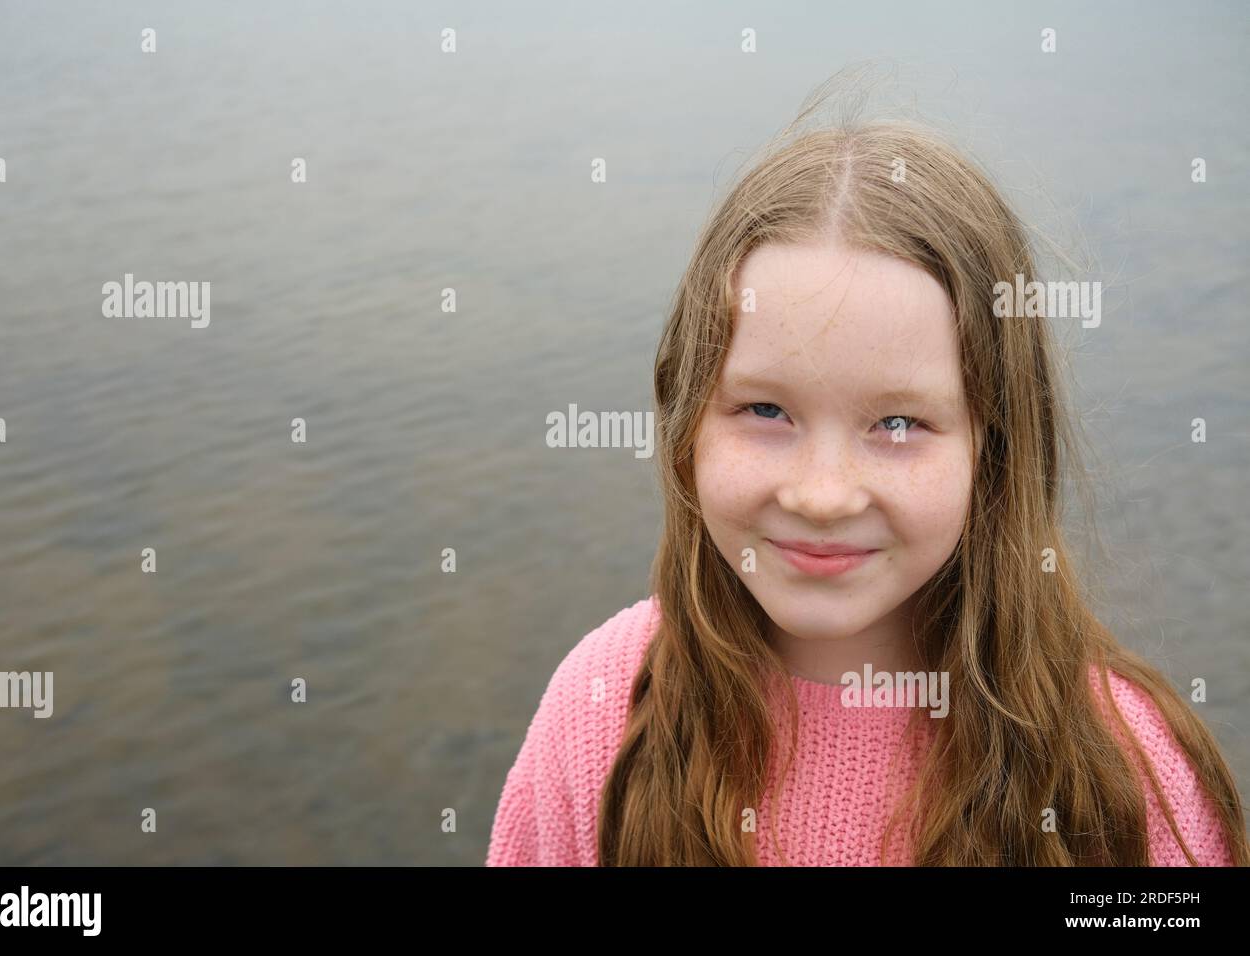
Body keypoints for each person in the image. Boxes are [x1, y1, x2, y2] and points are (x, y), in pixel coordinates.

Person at [487, 96, 1248, 867]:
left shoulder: (1125, 780)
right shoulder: (600, 711)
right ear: (687, 425)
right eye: (765, 409)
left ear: (995, 451)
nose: (821, 495)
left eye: (898, 425)